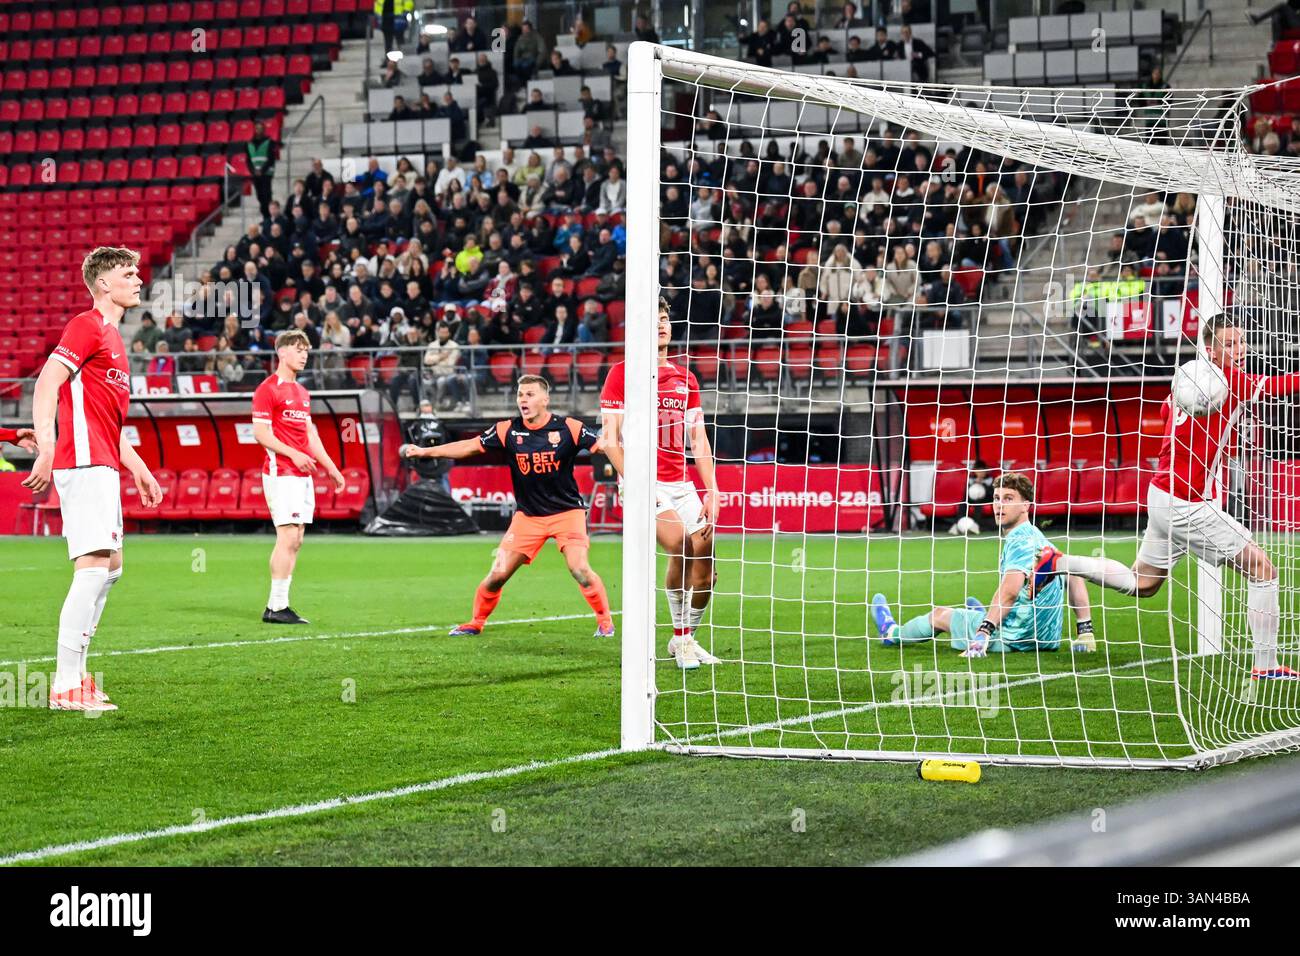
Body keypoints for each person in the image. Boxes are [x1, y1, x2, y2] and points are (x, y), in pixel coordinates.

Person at [1038, 315, 1300, 679]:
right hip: (1187, 504)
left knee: (1143, 584)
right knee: (1262, 569)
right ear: (1210, 348)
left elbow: (1167, 411)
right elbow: (1279, 386)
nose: (1240, 350)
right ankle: (1266, 665)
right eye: (1230, 344)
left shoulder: (1184, 382)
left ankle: (1059, 562)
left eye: (1241, 342)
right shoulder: (1230, 382)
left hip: (1161, 495)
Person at [22, 247, 164, 711]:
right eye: (128, 273)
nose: (138, 279)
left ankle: (78, 676)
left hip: (103, 461)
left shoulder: (116, 341)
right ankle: (65, 685)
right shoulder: (86, 325)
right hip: (82, 464)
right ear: (103, 284)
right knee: (93, 570)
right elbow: (46, 383)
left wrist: (138, 468)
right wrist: (46, 447)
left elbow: (109, 422)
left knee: (112, 568)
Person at [400, 375, 614, 637]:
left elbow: (603, 445)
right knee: (497, 575)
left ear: (545, 399)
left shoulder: (568, 427)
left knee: (579, 568)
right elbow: (469, 446)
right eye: (520, 394)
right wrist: (424, 452)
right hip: (528, 517)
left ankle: (605, 623)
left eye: (530, 394)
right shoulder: (507, 430)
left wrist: (621, 443)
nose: (523, 399)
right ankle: (475, 622)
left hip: (567, 513)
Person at [600, 300, 721, 670]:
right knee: (680, 545)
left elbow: (698, 439)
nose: (662, 326)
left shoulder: (687, 378)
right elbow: (609, 439)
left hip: (681, 484)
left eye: (665, 319)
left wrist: (712, 490)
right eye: (653, 321)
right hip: (643, 483)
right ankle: (683, 641)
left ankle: (684, 638)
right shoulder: (623, 373)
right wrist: (636, 484)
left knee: (708, 566)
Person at [872, 473, 1096, 657]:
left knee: (940, 615)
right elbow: (1073, 572)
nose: (999, 505)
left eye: (1008, 498)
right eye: (997, 498)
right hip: (1047, 639)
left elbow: (1009, 591)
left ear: (1025, 505)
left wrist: (984, 632)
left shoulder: (1020, 541)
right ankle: (983, 614)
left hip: (1015, 638)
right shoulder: (1039, 537)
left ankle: (892, 632)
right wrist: (1084, 631)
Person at [251, 329, 346, 625]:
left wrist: (330, 466)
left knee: (297, 539)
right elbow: (261, 433)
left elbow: (310, 434)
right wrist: (293, 454)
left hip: (302, 474)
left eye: (306, 349)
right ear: (282, 352)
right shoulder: (268, 389)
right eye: (298, 348)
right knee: (288, 536)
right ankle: (276, 607)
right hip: (282, 473)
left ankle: (279, 605)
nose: (304, 354)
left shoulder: (302, 392)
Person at [246, 121, 280, 220]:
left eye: (261, 128)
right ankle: (265, 217)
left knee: (266, 196)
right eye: (257, 128)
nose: (259, 130)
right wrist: (253, 171)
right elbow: (248, 160)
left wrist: (262, 170)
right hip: (255, 175)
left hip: (266, 173)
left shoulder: (270, 142)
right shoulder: (249, 144)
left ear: (264, 130)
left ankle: (269, 218)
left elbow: (271, 159)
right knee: (259, 196)